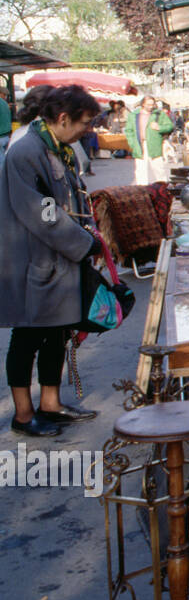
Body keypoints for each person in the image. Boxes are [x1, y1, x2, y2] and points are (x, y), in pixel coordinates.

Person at [0, 85, 103, 437]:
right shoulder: (26, 151)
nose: (87, 131)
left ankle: (51, 403)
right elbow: (43, 213)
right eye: (85, 123)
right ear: (62, 118)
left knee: (57, 333)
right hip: (33, 260)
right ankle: (24, 415)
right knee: (28, 335)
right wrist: (84, 243)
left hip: (58, 259)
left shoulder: (56, 147)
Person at [124, 95, 174, 185]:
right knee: (140, 170)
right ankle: (142, 191)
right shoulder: (134, 115)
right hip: (139, 145)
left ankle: (162, 189)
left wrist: (159, 127)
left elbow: (170, 126)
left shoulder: (159, 114)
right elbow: (128, 130)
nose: (151, 106)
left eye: (152, 104)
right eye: (148, 104)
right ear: (142, 104)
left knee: (159, 169)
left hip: (155, 145)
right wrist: (132, 144)